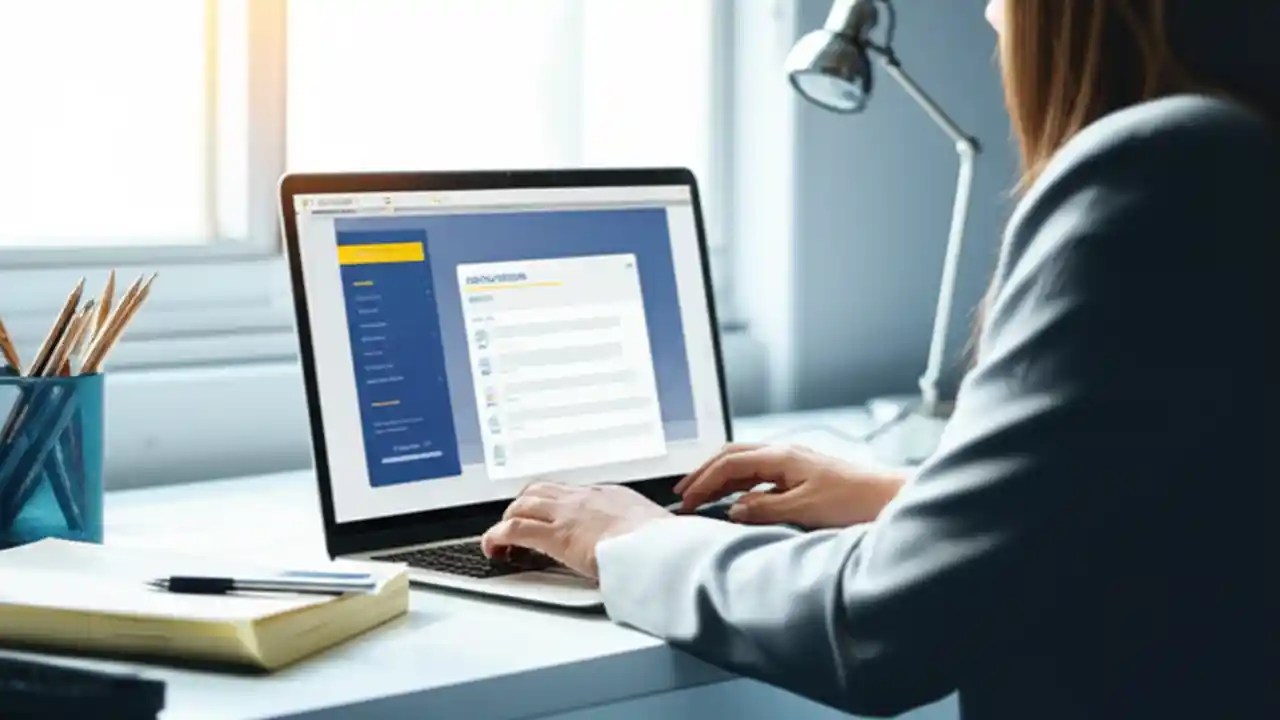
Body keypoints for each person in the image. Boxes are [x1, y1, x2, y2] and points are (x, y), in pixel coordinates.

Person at [482, 1, 1278, 717]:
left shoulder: (1166, 163)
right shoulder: (1240, 144)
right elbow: (1194, 499)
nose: (993, 17)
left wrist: (628, 538)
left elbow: (881, 625)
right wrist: (905, 497)